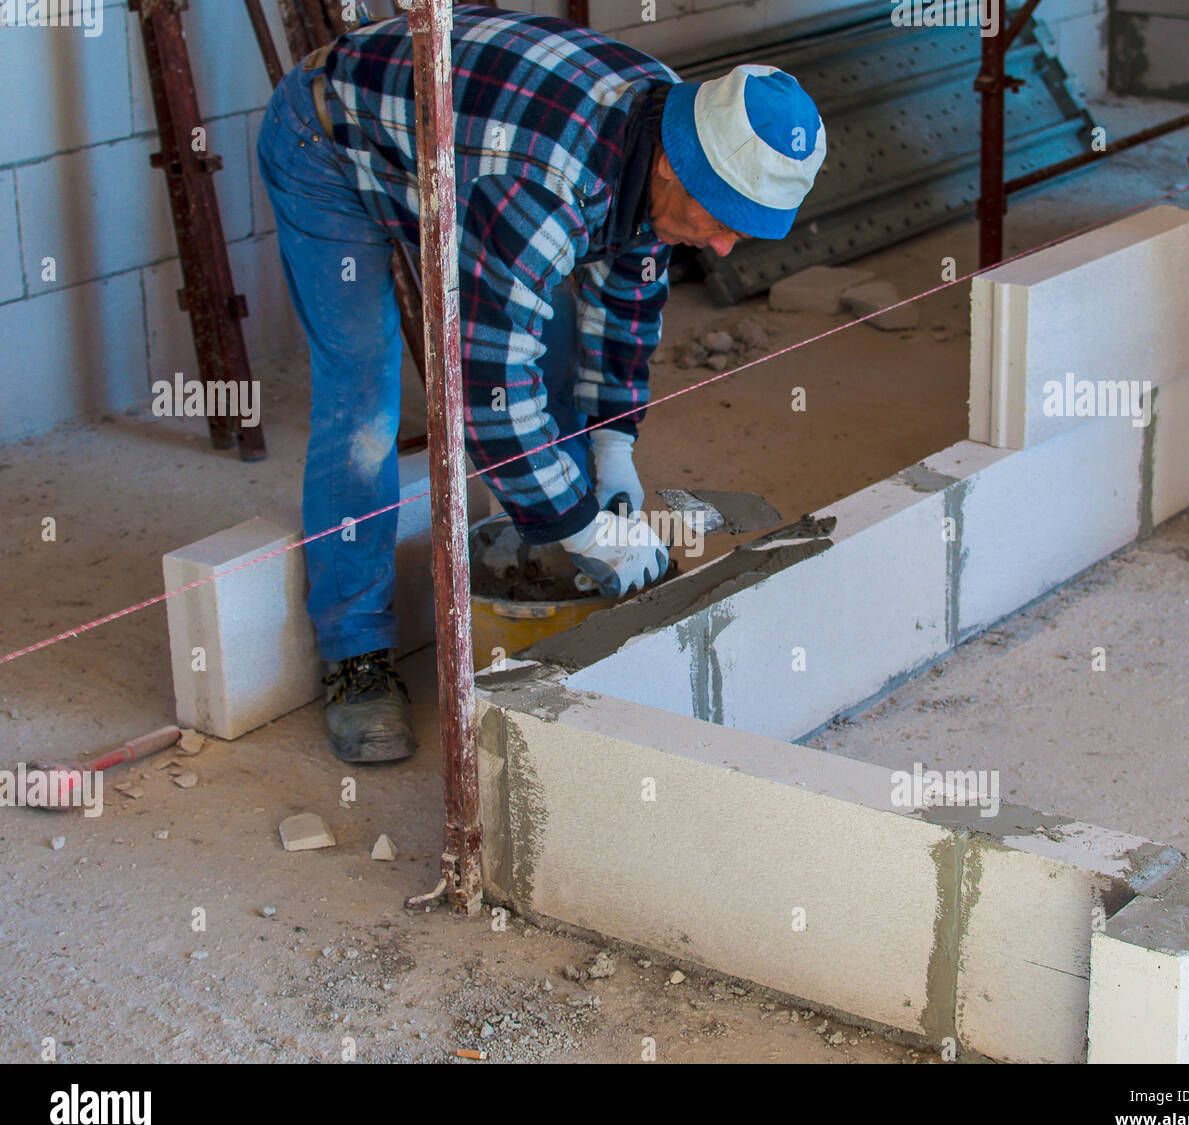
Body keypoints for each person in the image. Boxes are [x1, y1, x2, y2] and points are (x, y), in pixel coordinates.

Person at [256, 4, 826, 763]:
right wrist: (582, 526)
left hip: (463, 143)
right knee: (364, 402)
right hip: (331, 141)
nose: (723, 244)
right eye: (720, 219)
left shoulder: (673, 122)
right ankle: (355, 654)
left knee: (547, 357)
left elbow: (629, 297)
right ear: (671, 164)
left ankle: (540, 538)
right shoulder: (545, 188)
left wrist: (613, 447)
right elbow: (486, 379)